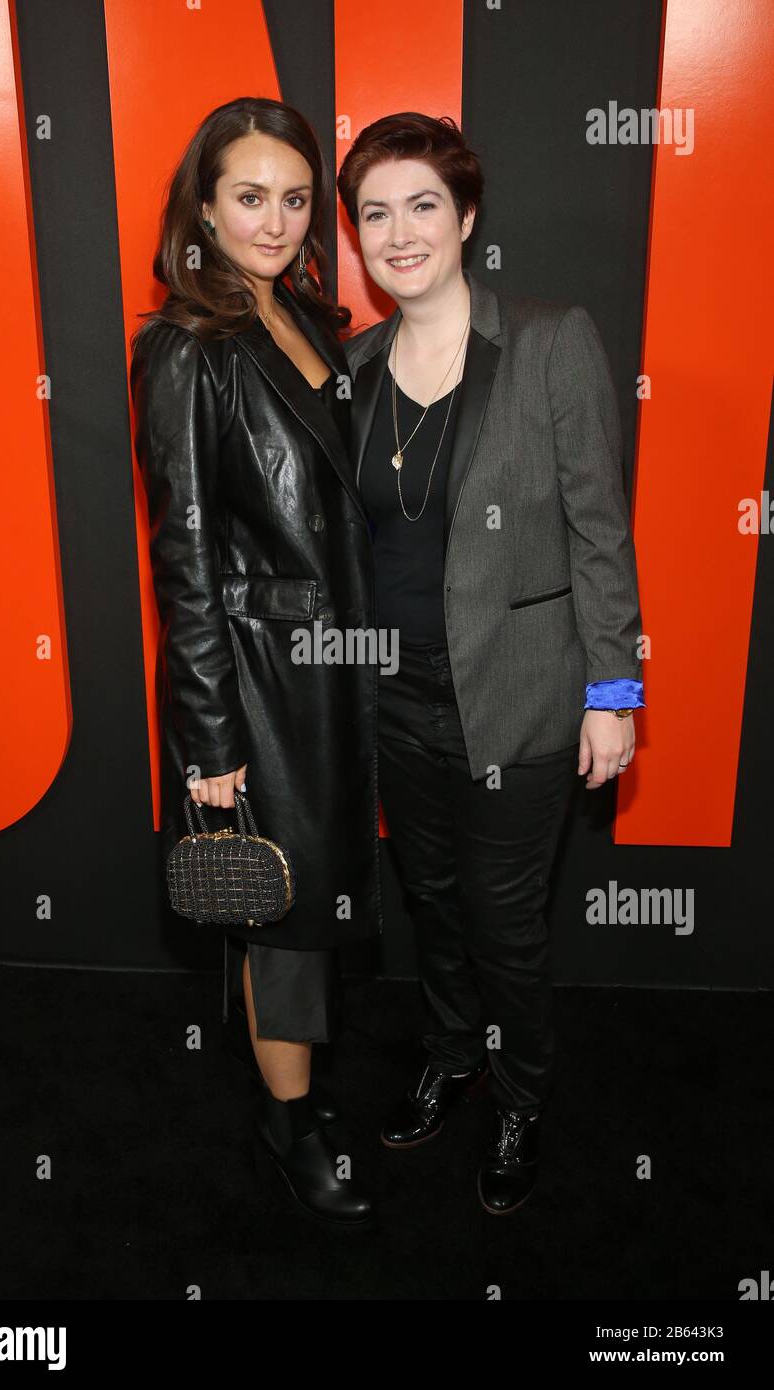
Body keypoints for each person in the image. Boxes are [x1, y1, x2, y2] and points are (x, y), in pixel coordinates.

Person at [337, 113, 645, 1214]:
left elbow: (600, 525)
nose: (399, 230)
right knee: (429, 899)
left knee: (506, 919)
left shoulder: (551, 339)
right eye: (374, 212)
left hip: (518, 694)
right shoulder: (354, 366)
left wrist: (614, 692)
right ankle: (455, 1048)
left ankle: (522, 1090)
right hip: (396, 697)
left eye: (422, 204)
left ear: (465, 218)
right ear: (358, 238)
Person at [130, 97, 380, 1226]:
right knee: (276, 912)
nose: (274, 221)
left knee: (316, 900)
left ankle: (298, 1093)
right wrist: (210, 744)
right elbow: (182, 558)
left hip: (331, 670)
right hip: (258, 679)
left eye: (292, 198)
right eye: (248, 197)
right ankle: (291, 1128)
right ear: (204, 207)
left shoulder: (308, 319)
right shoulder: (185, 347)